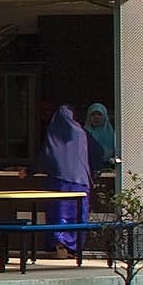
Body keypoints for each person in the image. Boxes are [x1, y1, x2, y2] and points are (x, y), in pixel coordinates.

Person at [38, 102, 94, 257]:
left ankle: (59, 244)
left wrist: (30, 171)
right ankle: (75, 247)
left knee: (58, 213)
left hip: (58, 182)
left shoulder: (53, 133)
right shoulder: (80, 133)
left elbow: (45, 158)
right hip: (79, 182)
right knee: (77, 215)